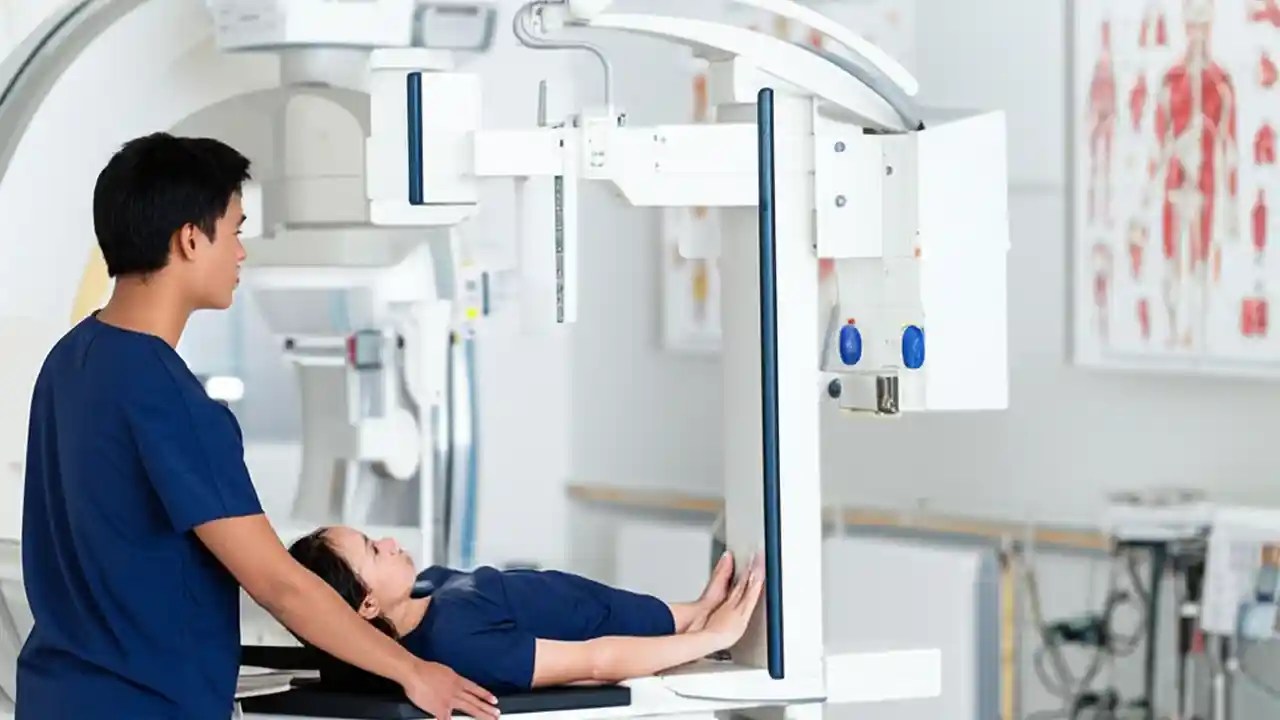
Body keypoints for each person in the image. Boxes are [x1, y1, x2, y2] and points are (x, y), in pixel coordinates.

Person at [15, 133, 498, 720]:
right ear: (191, 239)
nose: (241, 252)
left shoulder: (70, 359)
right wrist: (414, 671)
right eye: (237, 230)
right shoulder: (170, 400)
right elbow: (277, 583)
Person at [288, 526, 764, 693]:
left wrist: (698, 615)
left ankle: (694, 611)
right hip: (638, 632)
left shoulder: (427, 586)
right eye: (373, 550)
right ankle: (694, 617)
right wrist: (708, 638)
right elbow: (595, 663)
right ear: (367, 605)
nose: (390, 543)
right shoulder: (452, 644)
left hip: (637, 612)